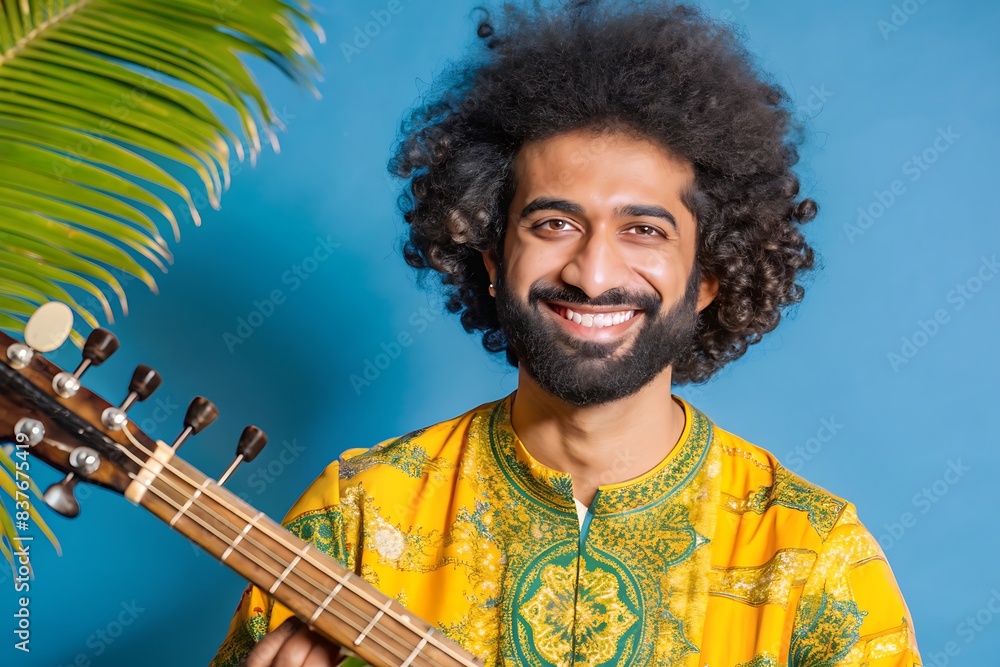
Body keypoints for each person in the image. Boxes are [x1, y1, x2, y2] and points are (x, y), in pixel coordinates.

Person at [210, 1, 921, 665]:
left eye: (643, 230)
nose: (591, 271)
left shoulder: (813, 553)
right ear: (492, 260)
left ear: (708, 278)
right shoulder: (354, 520)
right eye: (554, 224)